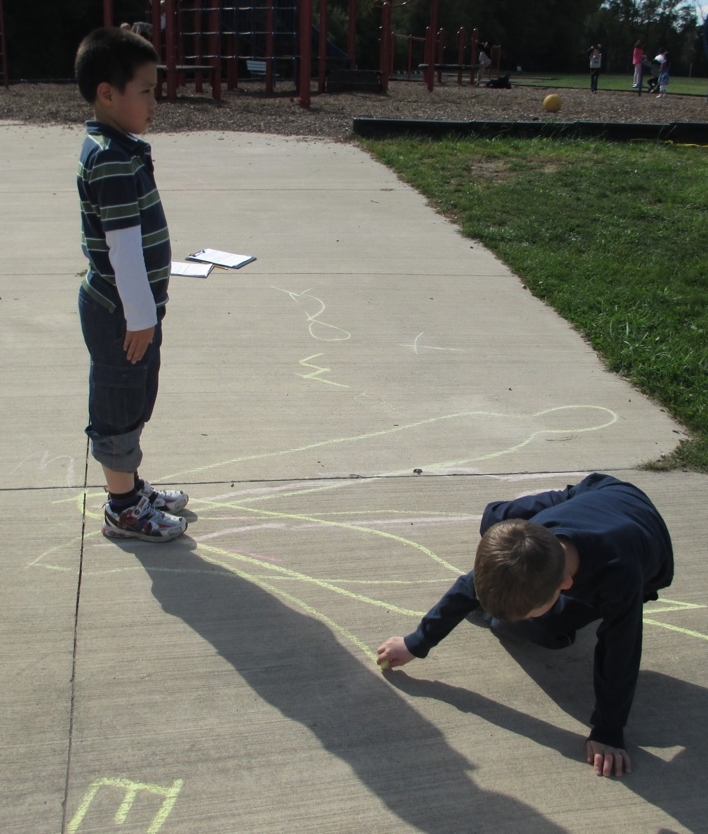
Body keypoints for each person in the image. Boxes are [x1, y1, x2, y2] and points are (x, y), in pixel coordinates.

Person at [377, 473, 674, 778]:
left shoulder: (618, 577)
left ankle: (533, 614)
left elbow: (620, 651)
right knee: (495, 524)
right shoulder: (531, 537)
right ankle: (511, 584)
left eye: (528, 611)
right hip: (596, 493)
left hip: (638, 530)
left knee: (545, 628)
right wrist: (415, 642)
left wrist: (608, 730)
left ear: (566, 585)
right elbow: (468, 584)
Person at [74, 28, 189, 542]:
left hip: (133, 308)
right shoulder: (112, 159)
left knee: (136, 396)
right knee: (119, 404)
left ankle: (131, 487)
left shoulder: (120, 147)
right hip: (121, 312)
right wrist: (141, 317)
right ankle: (122, 508)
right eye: (145, 89)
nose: (154, 100)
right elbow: (122, 250)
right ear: (107, 93)